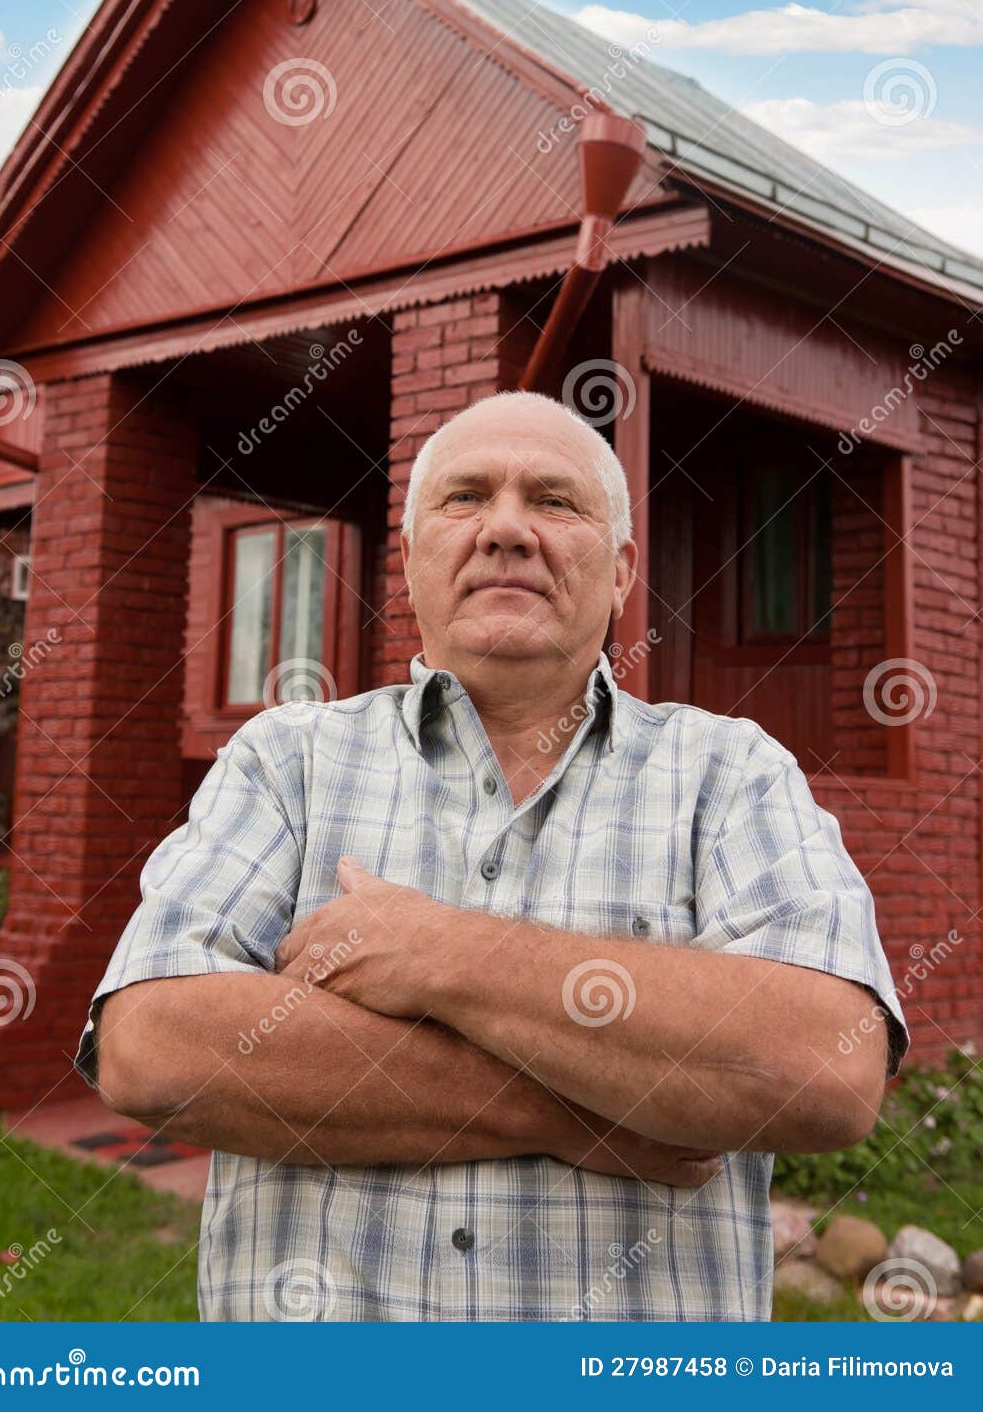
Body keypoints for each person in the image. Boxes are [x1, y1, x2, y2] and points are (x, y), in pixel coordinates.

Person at [74, 389, 907, 1322]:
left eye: (554, 501)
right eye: (465, 497)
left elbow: (825, 1068)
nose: (506, 529)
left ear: (624, 570)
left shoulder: (730, 772)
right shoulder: (286, 760)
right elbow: (152, 1048)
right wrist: (582, 1109)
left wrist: (431, 952)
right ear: (407, 559)